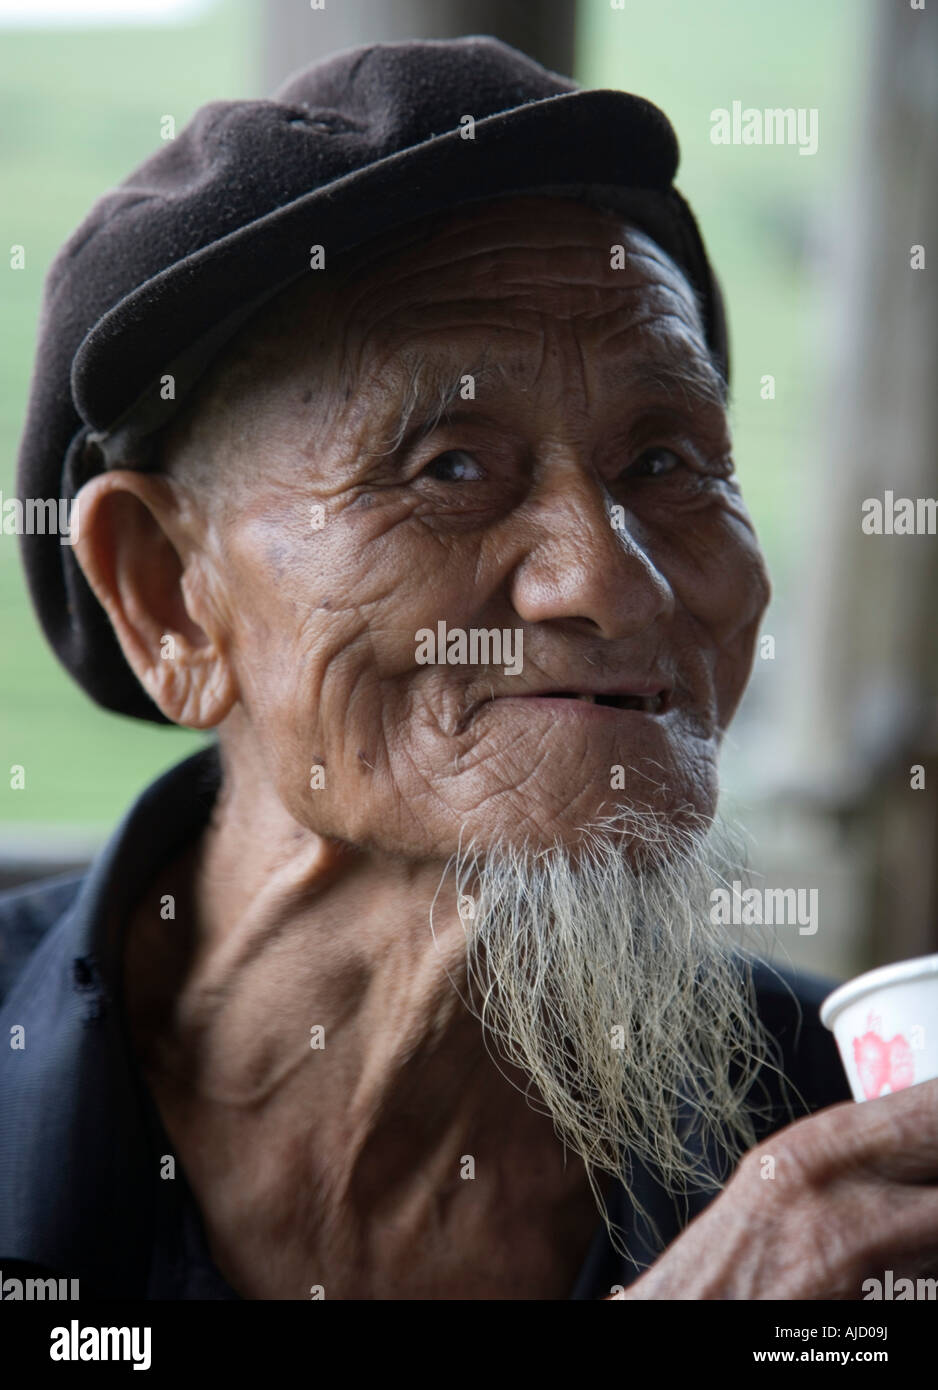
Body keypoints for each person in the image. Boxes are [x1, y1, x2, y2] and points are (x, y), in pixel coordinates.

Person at [2, 36, 936, 1302]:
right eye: (447, 465)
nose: (609, 582)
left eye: (665, 461)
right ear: (169, 596)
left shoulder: (862, 1141)